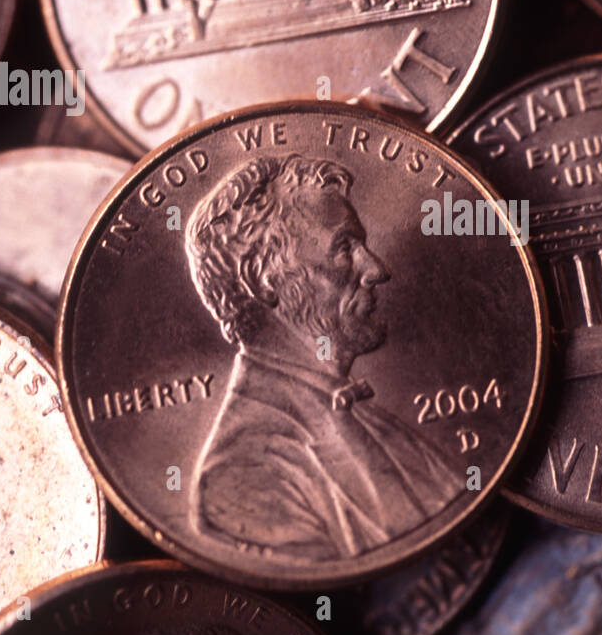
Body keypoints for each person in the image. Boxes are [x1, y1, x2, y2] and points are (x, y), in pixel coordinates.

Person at [186, 154, 460, 563]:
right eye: (344, 248)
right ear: (263, 281)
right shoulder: (242, 476)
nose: (376, 270)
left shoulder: (373, 419)